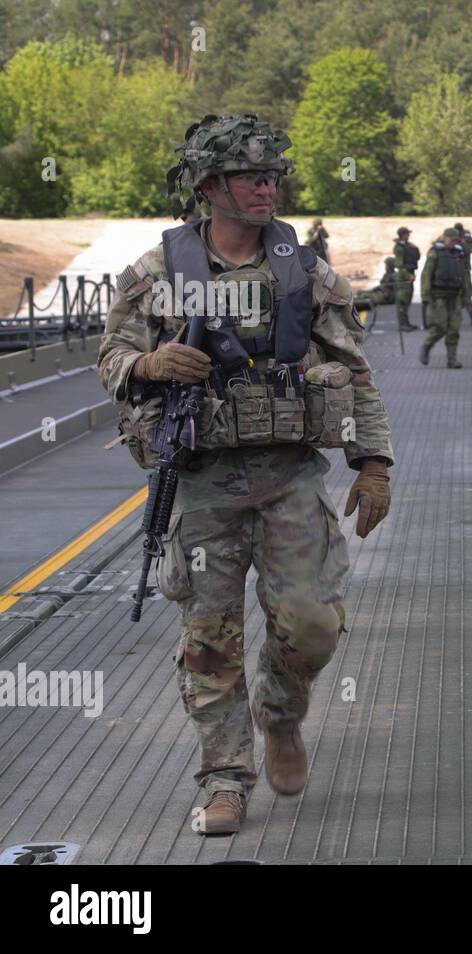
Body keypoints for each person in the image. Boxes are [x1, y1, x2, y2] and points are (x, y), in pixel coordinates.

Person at [97, 114, 395, 835]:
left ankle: (281, 714)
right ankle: (226, 779)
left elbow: (353, 371)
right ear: (209, 187)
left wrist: (374, 463)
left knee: (312, 626)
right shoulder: (157, 272)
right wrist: (148, 364)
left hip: (289, 475)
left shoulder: (304, 270)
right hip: (202, 484)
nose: (267, 189)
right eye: (251, 177)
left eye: (273, 178)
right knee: (209, 639)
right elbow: (111, 359)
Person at [419, 227, 468, 369]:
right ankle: (427, 346)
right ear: (444, 238)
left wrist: (465, 295)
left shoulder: (458, 253)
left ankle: (452, 360)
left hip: (455, 297)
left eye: (455, 241)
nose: (453, 243)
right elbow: (426, 275)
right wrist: (426, 296)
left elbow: (463, 275)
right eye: (451, 240)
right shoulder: (435, 253)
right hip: (438, 296)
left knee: (454, 329)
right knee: (440, 326)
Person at [393, 227, 419, 331]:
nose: (409, 236)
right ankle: (402, 324)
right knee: (402, 302)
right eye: (407, 234)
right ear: (402, 235)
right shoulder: (399, 248)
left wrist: (415, 248)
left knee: (407, 301)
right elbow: (399, 264)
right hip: (403, 278)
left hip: (409, 275)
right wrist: (408, 275)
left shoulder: (408, 246)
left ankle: (406, 322)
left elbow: (416, 257)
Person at [455, 221, 472, 327]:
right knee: (455, 296)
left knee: (467, 295)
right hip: (453, 272)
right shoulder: (448, 238)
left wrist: (463, 242)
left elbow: (469, 250)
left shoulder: (466, 238)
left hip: (464, 270)